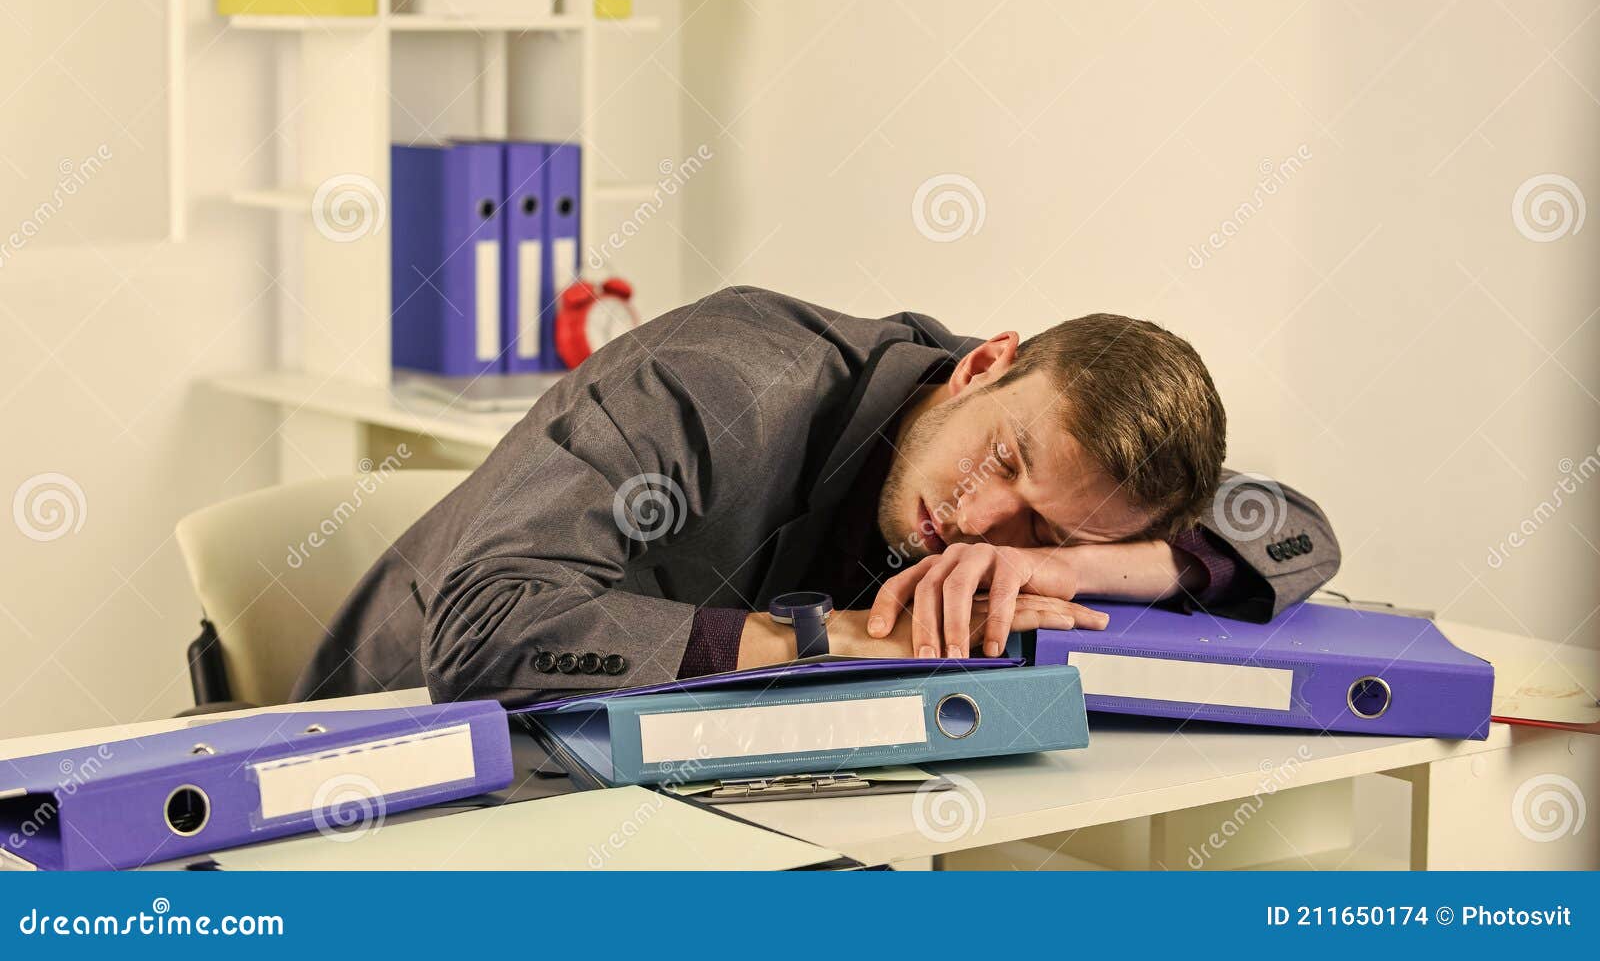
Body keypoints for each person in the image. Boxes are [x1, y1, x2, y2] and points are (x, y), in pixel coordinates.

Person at [290, 287, 1339, 704]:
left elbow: (1293, 527)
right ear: (984, 363)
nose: (976, 523)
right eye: (1002, 465)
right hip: (398, 757)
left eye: (1035, 520)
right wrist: (828, 637)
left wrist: (1065, 562)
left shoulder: (1069, 473)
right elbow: (487, 635)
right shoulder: (717, 381)